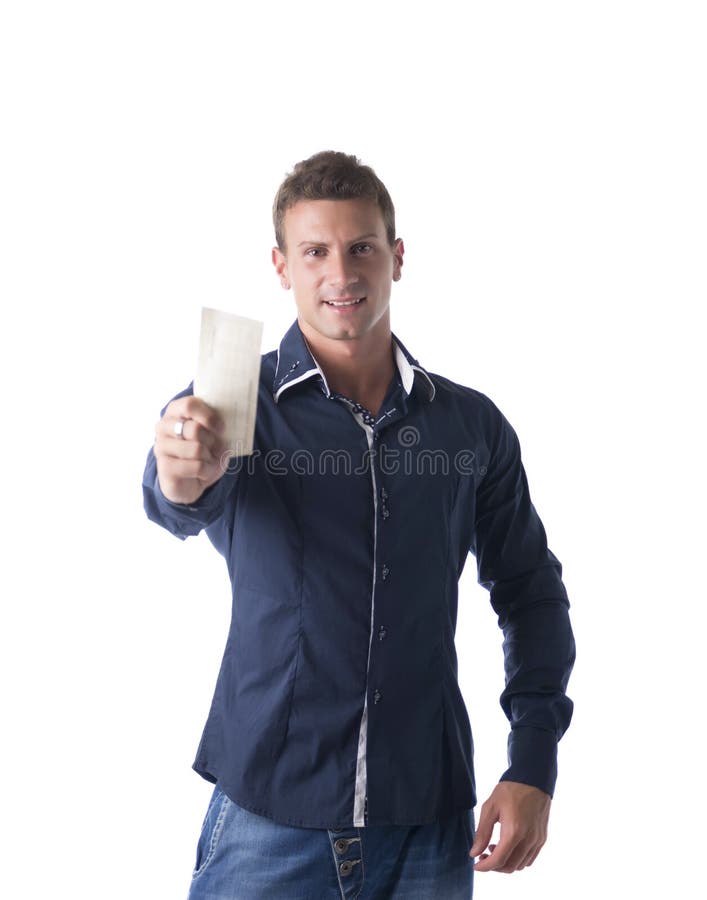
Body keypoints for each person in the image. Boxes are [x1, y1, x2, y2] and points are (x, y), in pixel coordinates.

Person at [142, 150, 575, 899]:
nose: (339, 274)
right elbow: (178, 492)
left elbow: (530, 591)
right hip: (268, 817)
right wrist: (182, 474)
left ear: (396, 257)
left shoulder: (469, 426)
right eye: (314, 251)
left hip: (427, 825)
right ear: (281, 266)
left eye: (361, 248)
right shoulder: (234, 404)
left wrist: (532, 760)